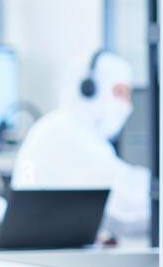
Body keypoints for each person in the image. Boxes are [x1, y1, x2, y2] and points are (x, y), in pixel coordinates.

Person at [12, 50, 151, 241]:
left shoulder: (72, 129)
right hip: (49, 256)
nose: (127, 105)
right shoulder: (67, 134)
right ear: (89, 89)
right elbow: (125, 206)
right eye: (119, 92)